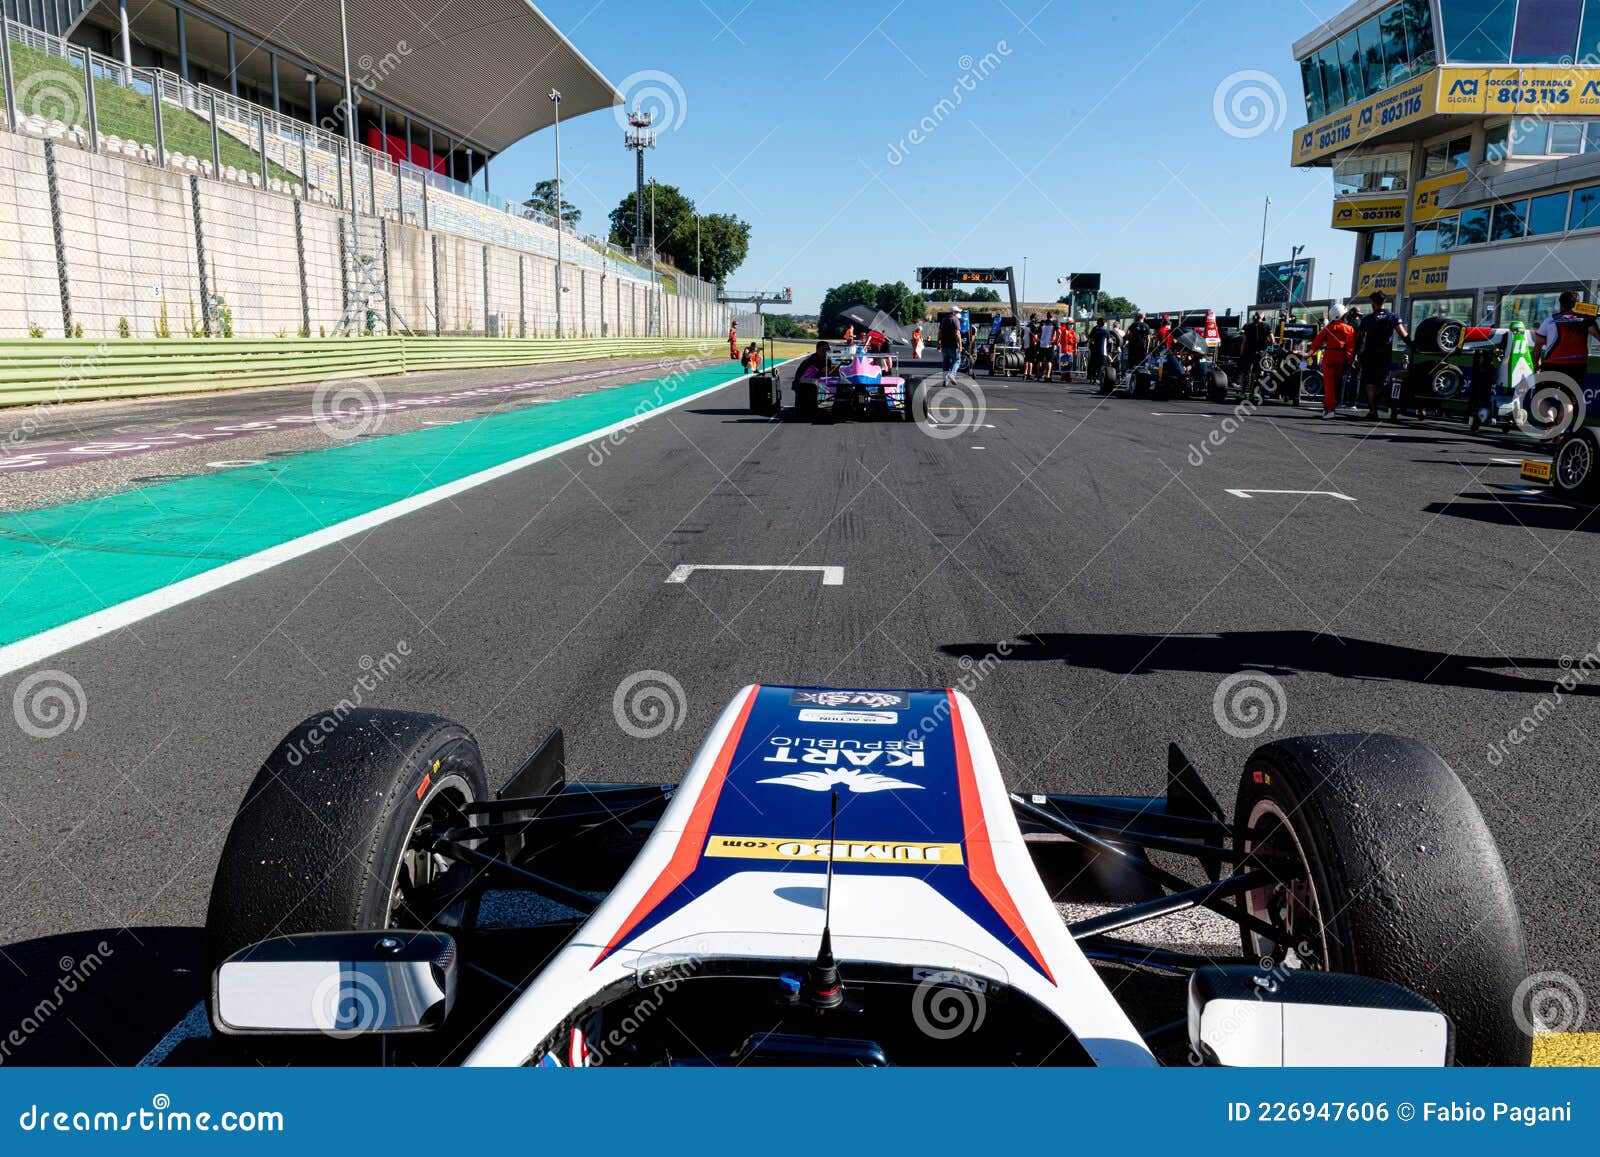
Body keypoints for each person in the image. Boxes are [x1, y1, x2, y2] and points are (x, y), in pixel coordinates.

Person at [1533, 290, 1600, 405]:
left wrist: (1536, 364)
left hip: (1552, 364)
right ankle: (1560, 421)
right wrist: (1591, 321)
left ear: (1561, 304)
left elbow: (1538, 343)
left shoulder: (1550, 320)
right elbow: (1596, 335)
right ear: (1578, 304)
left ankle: (1550, 421)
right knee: (1568, 401)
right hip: (1577, 365)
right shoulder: (1585, 319)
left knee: (1542, 398)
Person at [1354, 290, 1410, 420]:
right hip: (1384, 355)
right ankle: (1384, 403)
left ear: (1373, 303)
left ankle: (1373, 411)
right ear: (1384, 302)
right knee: (1383, 382)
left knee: (1369, 383)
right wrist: (1413, 345)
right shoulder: (1392, 317)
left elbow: (1359, 339)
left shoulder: (1367, 319)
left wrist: (1356, 355)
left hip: (1369, 356)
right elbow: (1403, 334)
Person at [1310, 304, 1356, 419]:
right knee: (1336, 384)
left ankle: (1329, 409)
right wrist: (1349, 361)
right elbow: (1350, 347)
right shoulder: (1349, 329)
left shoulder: (1327, 328)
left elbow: (1316, 343)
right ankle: (1329, 408)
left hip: (1329, 356)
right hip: (1341, 357)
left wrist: (1308, 355)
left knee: (1328, 385)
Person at [1241, 312, 1274, 396]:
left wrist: (1241, 354)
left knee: (1245, 372)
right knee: (1256, 374)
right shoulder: (1266, 326)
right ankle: (1252, 393)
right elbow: (1272, 340)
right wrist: (1266, 344)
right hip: (1260, 353)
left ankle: (1243, 393)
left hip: (1248, 352)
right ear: (1262, 317)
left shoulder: (1247, 326)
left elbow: (1244, 342)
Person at [1086, 317, 1114, 385]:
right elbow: (1109, 341)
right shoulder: (1105, 331)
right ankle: (1100, 379)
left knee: (1093, 365)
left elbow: (1090, 339)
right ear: (1104, 323)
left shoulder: (1094, 329)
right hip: (1102, 351)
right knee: (1101, 366)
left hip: (1094, 350)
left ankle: (1093, 379)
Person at [938, 308, 963, 374]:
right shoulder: (955, 320)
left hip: (944, 345)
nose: (958, 313)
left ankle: (945, 379)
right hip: (953, 345)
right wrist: (960, 345)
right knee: (957, 360)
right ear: (953, 312)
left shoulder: (944, 320)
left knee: (945, 362)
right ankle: (952, 374)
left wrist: (938, 343)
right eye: (957, 312)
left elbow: (939, 332)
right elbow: (957, 334)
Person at [1036, 314, 1057, 381]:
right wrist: (1055, 340)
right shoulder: (1054, 324)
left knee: (1040, 360)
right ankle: (1047, 376)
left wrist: (1039, 341)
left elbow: (1038, 334)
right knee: (1049, 361)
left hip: (1042, 344)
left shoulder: (1042, 323)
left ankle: (1038, 375)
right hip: (1050, 344)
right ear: (1052, 317)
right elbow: (1059, 332)